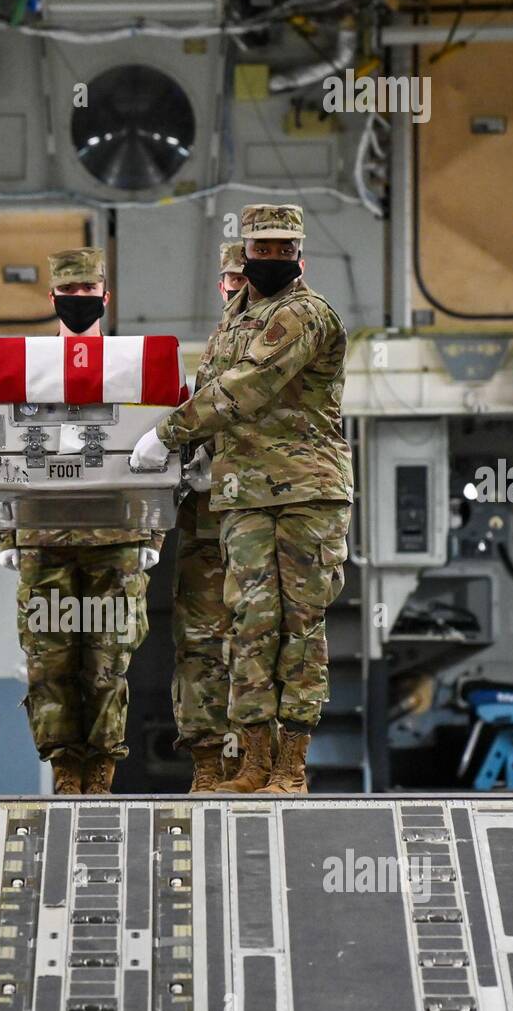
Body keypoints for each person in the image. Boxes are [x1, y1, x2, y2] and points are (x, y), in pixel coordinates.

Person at [130, 205, 353, 795]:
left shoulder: (303, 314)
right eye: (263, 249)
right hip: (243, 495)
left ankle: (291, 765)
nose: (272, 259)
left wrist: (169, 433)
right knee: (252, 624)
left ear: (299, 253)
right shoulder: (234, 320)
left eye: (283, 249)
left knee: (298, 626)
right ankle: (254, 761)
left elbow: (247, 385)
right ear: (246, 251)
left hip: (305, 491)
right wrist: (192, 454)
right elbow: (210, 387)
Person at [0, 246, 164, 796]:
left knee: (107, 662)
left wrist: (153, 532)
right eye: (67, 293)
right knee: (49, 660)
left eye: (86, 292)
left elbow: (160, 445)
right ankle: (66, 771)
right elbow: (5, 449)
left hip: (117, 537)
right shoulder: (29, 370)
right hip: (42, 538)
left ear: (104, 297)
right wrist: (7, 532)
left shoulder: (131, 369)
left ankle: (102, 773)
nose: (77, 301)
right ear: (52, 298)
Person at [172, 241, 247, 794]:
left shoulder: (287, 329)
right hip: (206, 518)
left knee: (260, 638)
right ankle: (206, 763)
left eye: (245, 276)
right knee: (198, 641)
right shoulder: (220, 339)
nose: (237, 287)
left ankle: (256, 762)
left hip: (258, 511)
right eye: (229, 279)